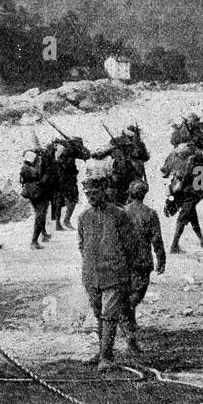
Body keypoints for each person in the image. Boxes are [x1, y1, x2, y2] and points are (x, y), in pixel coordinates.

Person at [77, 177, 142, 366]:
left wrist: (127, 271)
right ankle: (102, 353)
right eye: (88, 194)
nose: (91, 197)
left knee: (109, 315)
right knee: (99, 314)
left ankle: (106, 357)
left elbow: (131, 246)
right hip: (92, 275)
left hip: (114, 274)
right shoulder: (84, 217)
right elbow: (82, 245)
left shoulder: (119, 215)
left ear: (104, 191)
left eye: (94, 193)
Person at [123, 180, 165, 336]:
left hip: (124, 259)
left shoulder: (122, 212)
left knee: (127, 289)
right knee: (138, 292)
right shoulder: (150, 213)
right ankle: (125, 317)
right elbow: (156, 239)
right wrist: (161, 260)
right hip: (142, 259)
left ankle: (129, 320)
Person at [166, 143, 203, 253]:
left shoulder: (179, 155)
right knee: (183, 218)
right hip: (192, 192)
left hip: (182, 191)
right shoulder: (197, 158)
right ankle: (174, 246)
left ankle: (201, 238)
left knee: (191, 214)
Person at [50, 136, 91, 231]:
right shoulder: (70, 151)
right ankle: (66, 221)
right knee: (73, 199)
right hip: (68, 179)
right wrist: (79, 146)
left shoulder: (60, 150)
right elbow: (87, 155)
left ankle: (58, 224)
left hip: (59, 179)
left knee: (59, 201)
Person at [20, 147, 54, 249]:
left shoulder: (25, 165)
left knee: (40, 213)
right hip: (39, 191)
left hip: (30, 190)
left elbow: (22, 179)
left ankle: (43, 234)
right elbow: (42, 176)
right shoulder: (40, 161)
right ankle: (34, 242)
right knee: (40, 215)